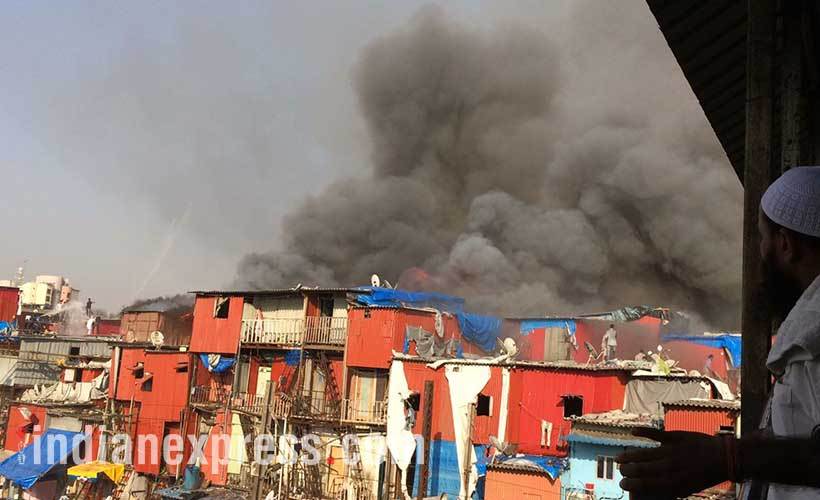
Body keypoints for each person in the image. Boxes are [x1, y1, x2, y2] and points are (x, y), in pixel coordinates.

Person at [618, 167, 820, 499]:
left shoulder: (814, 341)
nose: (760, 253)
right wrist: (725, 451)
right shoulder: (805, 334)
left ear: (786, 244)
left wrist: (728, 459)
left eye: (762, 238)